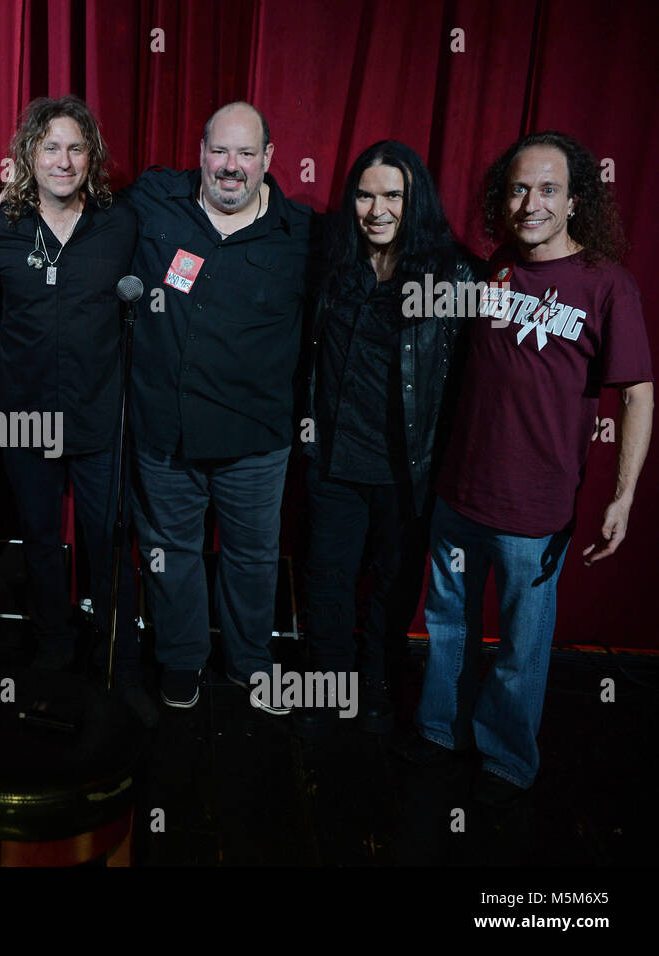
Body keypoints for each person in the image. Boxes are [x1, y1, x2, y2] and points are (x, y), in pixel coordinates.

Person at [401, 131, 653, 807]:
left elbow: (637, 394)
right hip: (460, 494)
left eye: (547, 189)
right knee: (448, 624)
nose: (530, 203)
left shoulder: (607, 285)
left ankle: (507, 760)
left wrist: (623, 496)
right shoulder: (499, 268)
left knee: (521, 644)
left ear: (574, 202)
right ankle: (440, 731)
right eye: (518, 189)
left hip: (534, 510)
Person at [125, 102, 316, 711]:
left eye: (246, 153)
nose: (231, 166)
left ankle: (251, 663)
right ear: (202, 151)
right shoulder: (156, 200)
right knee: (171, 555)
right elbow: (74, 200)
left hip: (256, 440)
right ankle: (182, 661)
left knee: (253, 560)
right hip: (166, 432)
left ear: (268, 159)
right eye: (221, 151)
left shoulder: (303, 233)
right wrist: (16, 198)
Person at [0, 95, 153, 725]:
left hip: (100, 414)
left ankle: (120, 661)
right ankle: (53, 647)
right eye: (50, 147)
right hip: (22, 416)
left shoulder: (120, 224)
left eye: (76, 148)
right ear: (29, 154)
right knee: (41, 541)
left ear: (92, 156)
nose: (64, 161)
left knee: (109, 543)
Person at [299, 141, 477, 737]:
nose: (377, 210)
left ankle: (376, 684)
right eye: (365, 195)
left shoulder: (452, 273)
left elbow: (470, 375)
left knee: (392, 589)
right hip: (333, 461)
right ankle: (328, 688)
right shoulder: (334, 260)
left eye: (392, 196)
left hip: (407, 469)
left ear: (414, 200)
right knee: (327, 583)